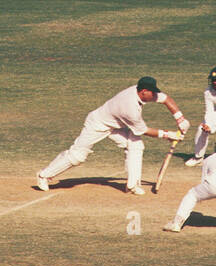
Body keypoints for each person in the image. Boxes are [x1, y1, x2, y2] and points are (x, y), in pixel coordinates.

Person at [35, 78, 190, 197]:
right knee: (78, 156)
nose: (155, 95)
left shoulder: (143, 92)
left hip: (116, 125)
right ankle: (44, 175)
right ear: (143, 92)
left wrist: (180, 119)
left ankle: (132, 185)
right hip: (97, 124)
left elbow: (166, 99)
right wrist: (167, 135)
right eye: (152, 93)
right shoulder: (130, 107)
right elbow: (142, 130)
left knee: (136, 146)